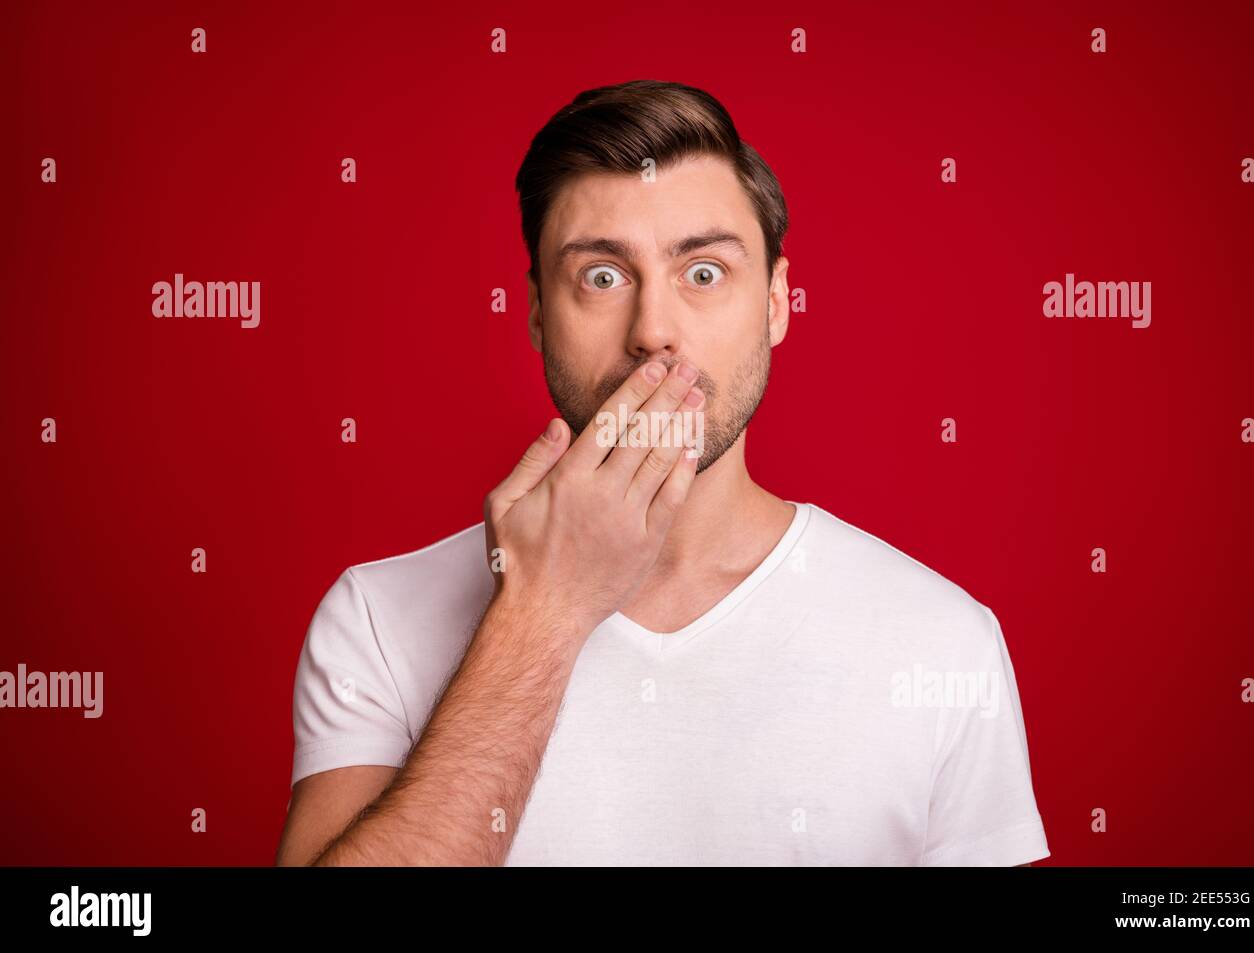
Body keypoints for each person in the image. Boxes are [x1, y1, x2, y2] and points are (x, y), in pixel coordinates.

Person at [275, 79, 1049, 867]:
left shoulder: (942, 642)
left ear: (777, 302)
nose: (653, 332)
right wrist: (540, 614)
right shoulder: (375, 619)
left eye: (704, 273)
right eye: (602, 277)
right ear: (539, 313)